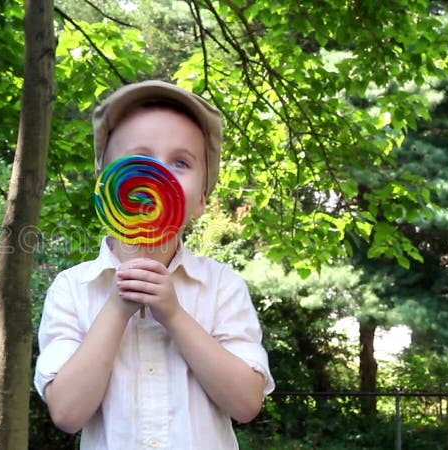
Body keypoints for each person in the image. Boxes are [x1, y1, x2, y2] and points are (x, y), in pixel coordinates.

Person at [34, 80, 274, 449]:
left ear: (200, 201)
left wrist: (174, 315)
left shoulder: (222, 286)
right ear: (106, 185)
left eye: (180, 162)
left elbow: (245, 404)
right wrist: (116, 308)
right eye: (139, 159)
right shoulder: (73, 288)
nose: (156, 176)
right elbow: (66, 413)